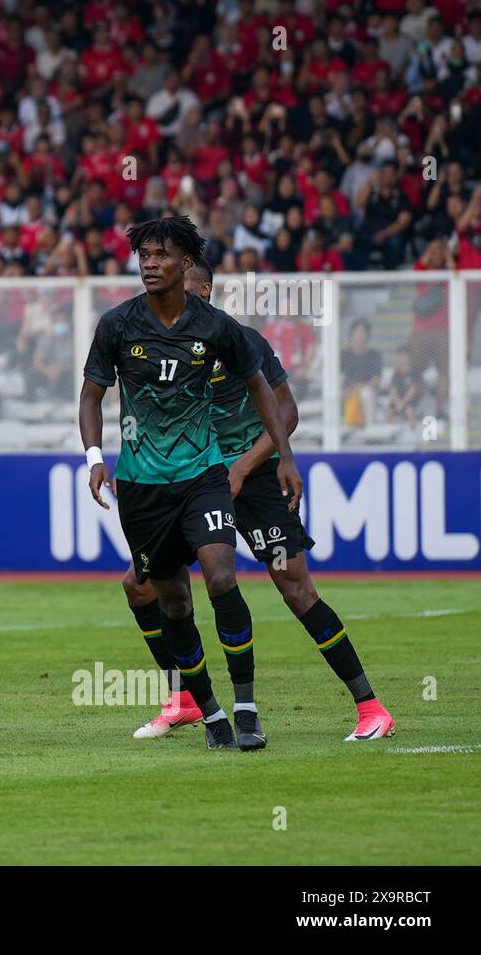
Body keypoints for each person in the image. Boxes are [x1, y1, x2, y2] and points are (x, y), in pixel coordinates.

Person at [124, 261, 396, 743]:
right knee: (142, 585)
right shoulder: (163, 345)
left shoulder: (240, 340)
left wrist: (246, 466)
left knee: (294, 586)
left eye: (183, 289)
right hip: (195, 481)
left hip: (254, 477)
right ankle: (185, 699)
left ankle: (371, 707)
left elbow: (287, 411)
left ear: (204, 288)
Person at [78, 215, 303, 751]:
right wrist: (94, 457)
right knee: (174, 601)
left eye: (160, 255)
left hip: (203, 474)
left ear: (185, 263)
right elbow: (90, 396)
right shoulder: (117, 324)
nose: (150, 264)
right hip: (140, 486)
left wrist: (285, 457)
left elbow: (260, 389)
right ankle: (212, 713)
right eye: (144, 256)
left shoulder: (217, 326)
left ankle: (247, 709)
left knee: (222, 577)